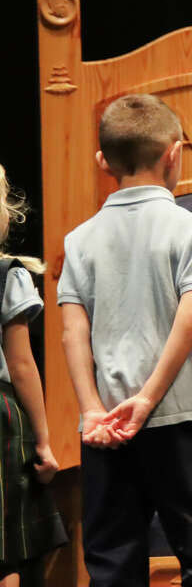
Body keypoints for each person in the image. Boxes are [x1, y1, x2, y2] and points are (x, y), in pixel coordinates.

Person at [58, 94, 192, 587]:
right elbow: (190, 319)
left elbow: (73, 331)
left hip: (105, 427)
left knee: (112, 564)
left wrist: (93, 409)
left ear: (103, 162)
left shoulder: (79, 240)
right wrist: (148, 400)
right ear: (174, 153)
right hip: (179, 418)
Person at [0, 165, 67, 583]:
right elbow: (22, 364)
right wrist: (44, 441)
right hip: (2, 420)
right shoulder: (8, 274)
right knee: (6, 551)